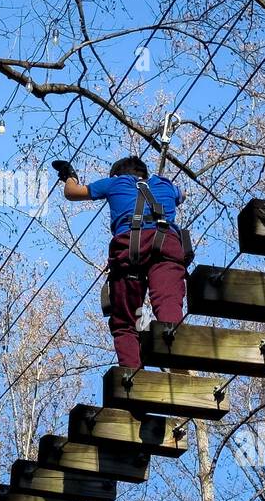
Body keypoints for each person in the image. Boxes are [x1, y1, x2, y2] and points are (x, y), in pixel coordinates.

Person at [51, 155, 191, 369]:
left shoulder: (115, 183)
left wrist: (69, 176)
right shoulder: (164, 185)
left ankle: (132, 375)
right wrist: (163, 187)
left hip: (129, 249)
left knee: (125, 321)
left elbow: (72, 192)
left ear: (116, 174)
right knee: (168, 302)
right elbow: (182, 195)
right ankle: (178, 358)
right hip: (166, 245)